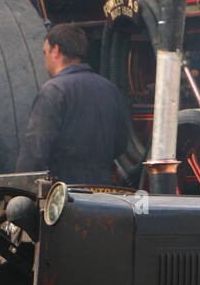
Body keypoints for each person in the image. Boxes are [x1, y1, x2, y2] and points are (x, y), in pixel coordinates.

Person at [15, 23, 128, 185]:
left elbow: (35, 151)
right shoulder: (110, 89)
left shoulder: (53, 90)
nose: (45, 59)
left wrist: (20, 192)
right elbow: (121, 144)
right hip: (104, 193)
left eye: (45, 52)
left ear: (56, 50)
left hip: (64, 195)